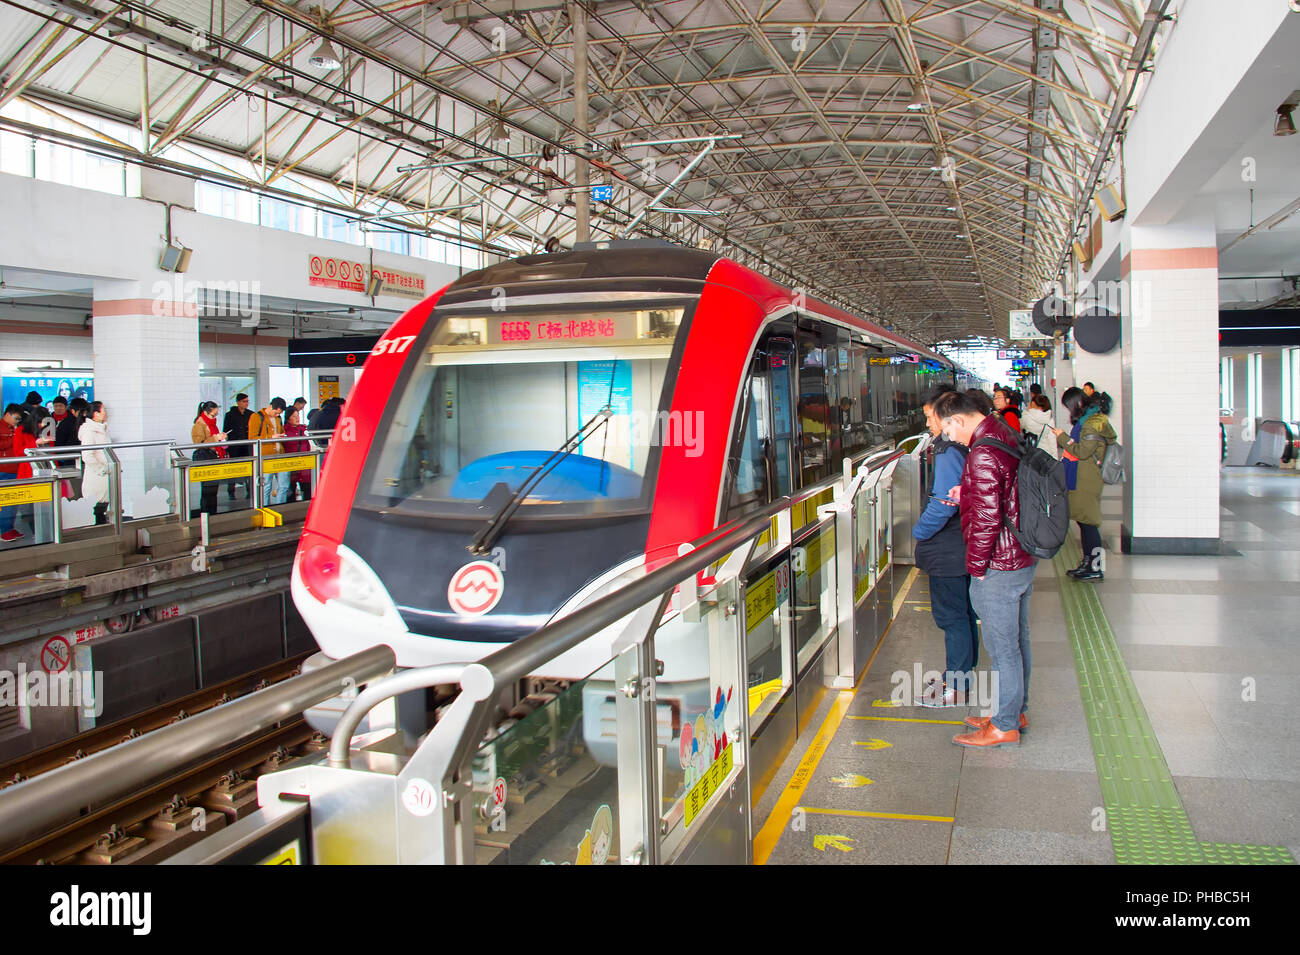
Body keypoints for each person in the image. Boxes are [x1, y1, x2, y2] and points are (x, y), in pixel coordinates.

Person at [931, 390, 1034, 747]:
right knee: (1017, 641)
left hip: (999, 563)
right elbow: (1002, 495)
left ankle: (1005, 725)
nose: (949, 437)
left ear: (958, 419)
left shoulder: (983, 451)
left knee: (1003, 647)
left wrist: (976, 568)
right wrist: (970, 491)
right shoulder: (1001, 433)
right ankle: (1013, 711)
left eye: (948, 429)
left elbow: (989, 519)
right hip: (1018, 555)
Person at [911, 385, 979, 707]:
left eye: (930, 418)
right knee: (962, 615)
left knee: (952, 617)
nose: (928, 425)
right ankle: (960, 675)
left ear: (945, 415)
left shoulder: (949, 451)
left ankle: (958, 685)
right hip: (959, 546)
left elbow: (942, 504)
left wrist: (919, 531)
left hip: (948, 551)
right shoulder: (960, 447)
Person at [1053, 387, 1116, 582]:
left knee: (1089, 523)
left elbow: (1082, 452)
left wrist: (1062, 437)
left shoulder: (1090, 424)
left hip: (1085, 480)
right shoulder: (1088, 421)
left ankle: (1095, 567)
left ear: (1077, 403)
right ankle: (1088, 563)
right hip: (1080, 476)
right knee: (1084, 522)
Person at [13, 409, 55, 541]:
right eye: (40, 423)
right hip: (28, 472)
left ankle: (50, 533)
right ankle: (36, 533)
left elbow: (53, 452)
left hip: (47, 471)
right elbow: (18, 452)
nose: (42, 426)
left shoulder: (48, 431)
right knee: (29, 507)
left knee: (48, 505)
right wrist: (35, 443)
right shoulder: (21, 430)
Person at [190, 401, 229, 518]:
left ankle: (213, 515)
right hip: (206, 458)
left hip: (214, 457)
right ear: (205, 413)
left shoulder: (212, 424)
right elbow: (198, 444)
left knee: (213, 490)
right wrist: (216, 438)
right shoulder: (199, 425)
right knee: (207, 490)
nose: (215, 417)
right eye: (213, 415)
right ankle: (206, 516)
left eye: (216, 415)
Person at [249, 397, 288, 505]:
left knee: (284, 485)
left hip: (279, 454)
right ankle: (265, 510)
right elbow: (252, 437)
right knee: (266, 486)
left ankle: (281, 508)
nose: (277, 415)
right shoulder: (257, 417)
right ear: (271, 406)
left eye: (278, 414)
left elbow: (281, 431)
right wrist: (270, 437)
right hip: (265, 456)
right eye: (276, 413)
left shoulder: (278, 419)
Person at [79, 401, 112, 525]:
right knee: (97, 509)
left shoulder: (102, 428)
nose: (106, 413)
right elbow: (87, 455)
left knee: (102, 508)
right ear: (95, 414)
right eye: (103, 410)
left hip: (105, 475)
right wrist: (102, 469)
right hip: (97, 477)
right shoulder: (89, 431)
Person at [0, 404, 25, 542]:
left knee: (14, 502)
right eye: (16, 418)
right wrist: (14, 438)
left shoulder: (14, 428)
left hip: (16, 469)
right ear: (8, 414)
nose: (17, 421)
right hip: (3, 470)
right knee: (6, 502)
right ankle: (4, 530)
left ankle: (10, 527)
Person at [223, 393, 254, 500]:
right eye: (244, 401)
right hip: (235, 446)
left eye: (247, 401)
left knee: (249, 469)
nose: (246, 404)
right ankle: (231, 491)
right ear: (238, 402)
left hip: (247, 446)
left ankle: (250, 491)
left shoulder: (251, 414)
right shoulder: (230, 415)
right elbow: (226, 430)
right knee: (233, 470)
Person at [281, 408, 313, 502]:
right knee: (290, 489)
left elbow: (307, 445)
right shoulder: (284, 431)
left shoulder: (303, 429)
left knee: (307, 488)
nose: (297, 418)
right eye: (294, 416)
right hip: (291, 463)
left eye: (298, 415)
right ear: (288, 419)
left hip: (304, 464)